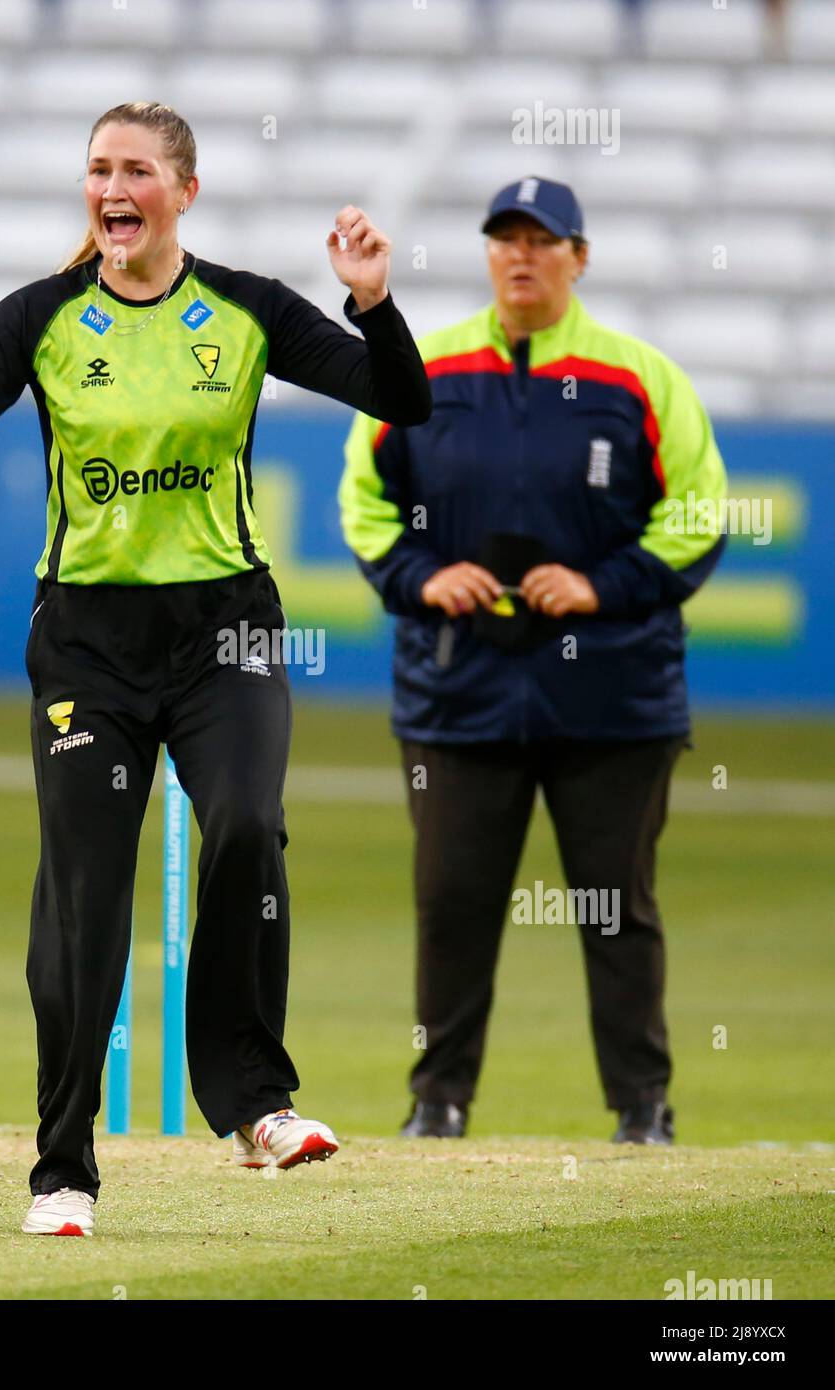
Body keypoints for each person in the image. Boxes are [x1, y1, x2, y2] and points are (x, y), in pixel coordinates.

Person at [0, 101, 431, 1234]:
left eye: (136, 170)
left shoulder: (247, 310)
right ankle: (62, 1169)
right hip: (87, 650)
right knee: (85, 901)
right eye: (98, 168)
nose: (113, 187)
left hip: (228, 637)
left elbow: (401, 398)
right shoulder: (40, 318)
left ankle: (255, 1103)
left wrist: (371, 300)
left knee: (248, 824)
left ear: (183, 192)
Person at [339, 176, 727, 1146]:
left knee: (615, 909)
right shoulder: (421, 369)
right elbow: (362, 502)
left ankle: (642, 1109)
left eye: (541, 240)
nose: (520, 254)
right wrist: (423, 576)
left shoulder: (639, 376)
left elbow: (698, 512)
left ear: (578, 256)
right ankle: (436, 1102)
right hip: (457, 691)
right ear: (485, 254)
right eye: (503, 238)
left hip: (611, 696)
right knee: (450, 906)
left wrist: (605, 582)